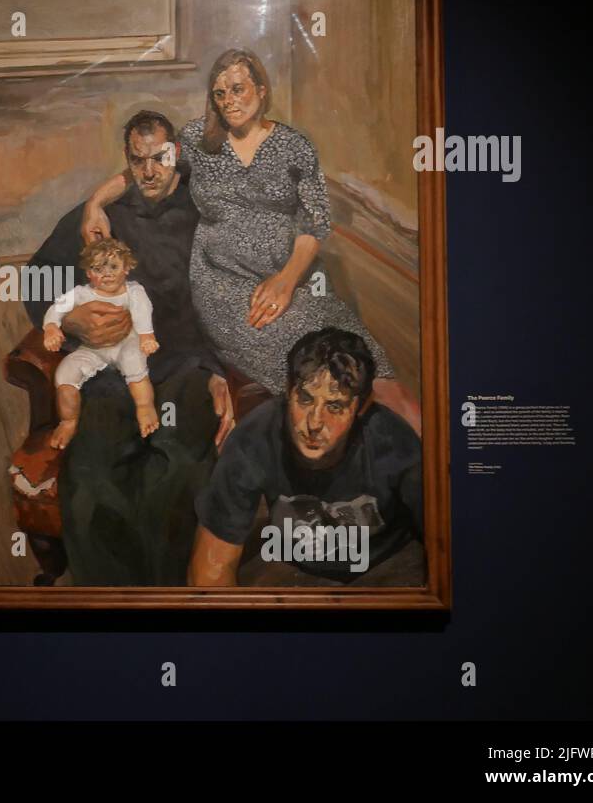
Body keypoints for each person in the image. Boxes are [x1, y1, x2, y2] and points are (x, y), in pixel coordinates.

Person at [81, 50, 418, 427]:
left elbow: (314, 222)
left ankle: (428, 468)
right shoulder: (197, 140)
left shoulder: (295, 146)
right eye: (220, 93)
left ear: (260, 89)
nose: (228, 101)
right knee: (319, 376)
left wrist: (286, 282)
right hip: (223, 285)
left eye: (237, 89)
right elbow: (145, 165)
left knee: (375, 372)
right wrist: (95, 202)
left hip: (295, 280)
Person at [22, 110, 234, 586]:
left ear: (175, 153)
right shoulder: (102, 217)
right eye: (138, 161)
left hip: (185, 364)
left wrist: (221, 368)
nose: (149, 171)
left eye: (159, 157)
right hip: (108, 371)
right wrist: (70, 317)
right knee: (94, 469)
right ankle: (110, 603)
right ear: (127, 162)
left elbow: (233, 299)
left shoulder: (204, 206)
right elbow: (36, 277)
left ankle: (168, 601)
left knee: (177, 464)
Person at [188, 327, 425, 586]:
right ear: (289, 391)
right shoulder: (253, 438)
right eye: (305, 399)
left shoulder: (395, 442)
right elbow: (211, 569)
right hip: (293, 569)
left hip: (386, 567)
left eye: (335, 406)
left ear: (362, 407)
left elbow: (446, 548)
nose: (314, 423)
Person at [43, 237, 159, 446]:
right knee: (65, 373)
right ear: (88, 273)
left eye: (114, 266)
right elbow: (57, 308)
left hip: (126, 343)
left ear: (127, 268)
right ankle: (68, 421)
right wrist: (51, 327)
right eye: (98, 268)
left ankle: (144, 407)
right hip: (93, 348)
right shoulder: (81, 293)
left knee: (134, 360)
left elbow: (143, 312)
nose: (107, 273)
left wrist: (146, 335)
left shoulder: (134, 291)